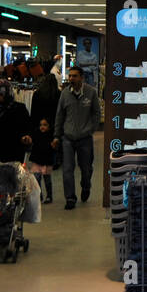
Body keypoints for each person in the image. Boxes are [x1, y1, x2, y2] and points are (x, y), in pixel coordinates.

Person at [52, 66, 101, 210]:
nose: (71, 79)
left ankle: (86, 186)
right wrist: (56, 135)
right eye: (70, 76)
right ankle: (70, 198)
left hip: (85, 138)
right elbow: (59, 115)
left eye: (74, 76)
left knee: (86, 169)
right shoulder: (65, 94)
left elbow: (96, 113)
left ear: (81, 78)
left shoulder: (91, 93)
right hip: (68, 138)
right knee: (67, 169)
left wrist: (91, 129)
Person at [0, 79, 32, 164]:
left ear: (7, 94)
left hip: (13, 154)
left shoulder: (19, 109)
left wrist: (26, 137)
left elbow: (27, 128)